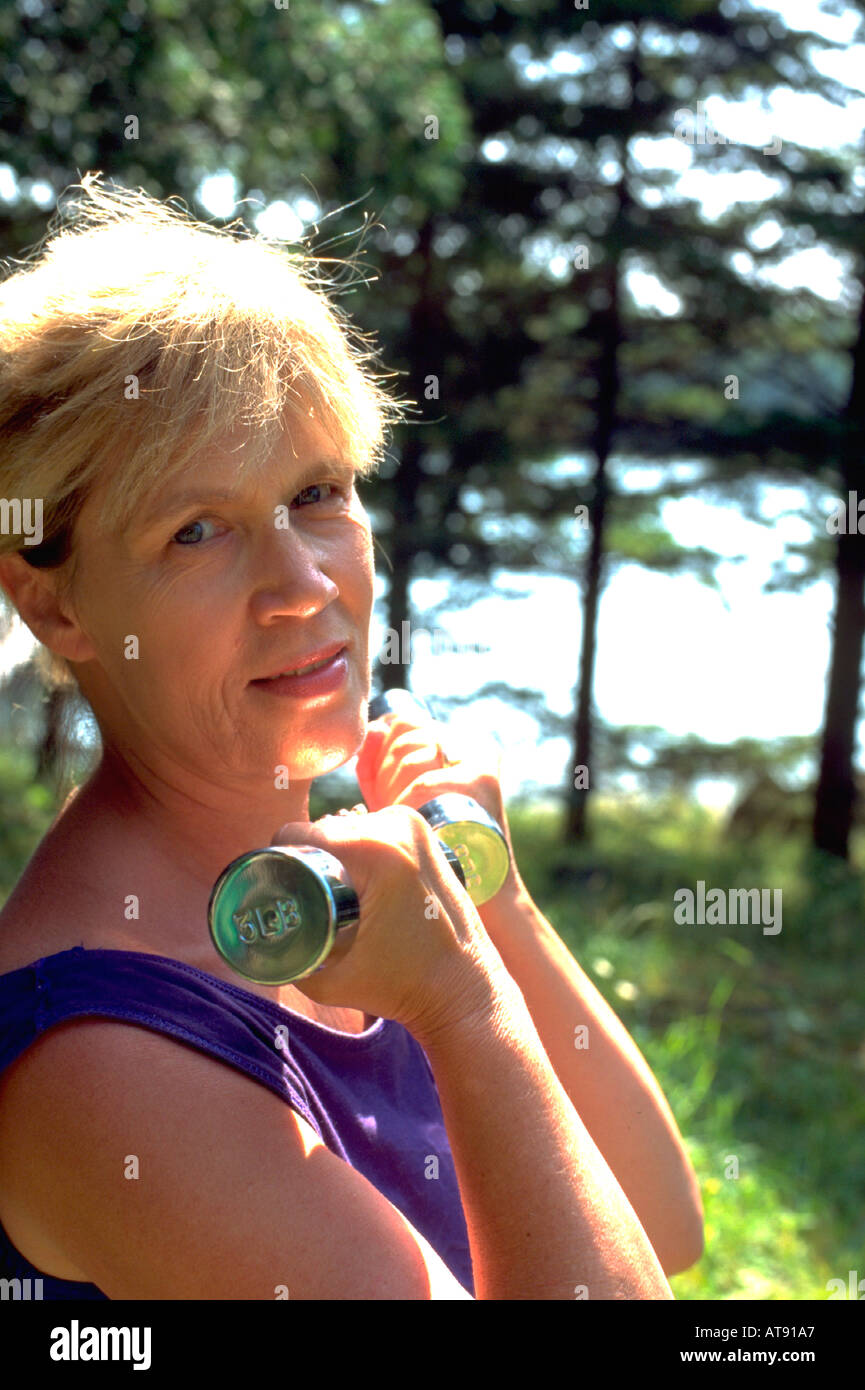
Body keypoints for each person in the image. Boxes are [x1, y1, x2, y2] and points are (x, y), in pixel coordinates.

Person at [0, 174, 702, 1300]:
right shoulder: (105, 1065)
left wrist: (495, 906)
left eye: (319, 491)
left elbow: (662, 1221)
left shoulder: (356, 892)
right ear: (55, 606)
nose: (301, 584)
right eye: (196, 530)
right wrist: (465, 1009)